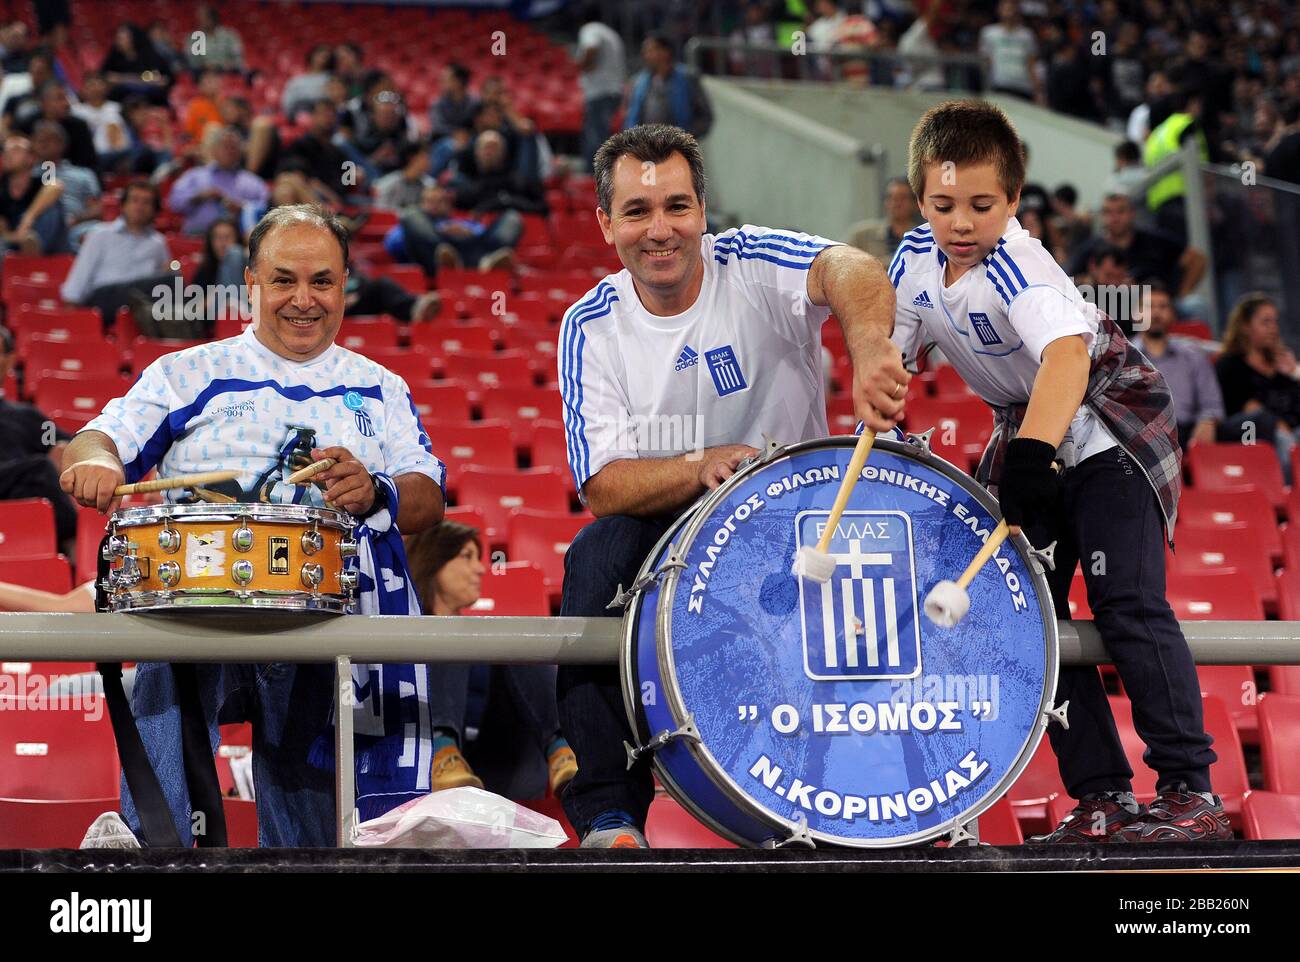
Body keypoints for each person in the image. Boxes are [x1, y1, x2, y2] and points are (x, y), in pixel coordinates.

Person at [556, 123, 903, 847]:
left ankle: (888, 805)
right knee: (594, 556)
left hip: (796, 519)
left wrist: (869, 347)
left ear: (703, 212)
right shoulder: (589, 324)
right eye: (638, 211)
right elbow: (603, 486)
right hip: (671, 523)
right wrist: (696, 466)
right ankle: (611, 817)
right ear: (604, 224)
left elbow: (853, 267)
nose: (661, 229)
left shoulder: (750, 262)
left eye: (677, 207)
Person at [889, 99, 1227, 843]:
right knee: (1028, 615)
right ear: (920, 201)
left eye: (982, 204)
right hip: (1030, 428)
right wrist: (881, 384)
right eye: (943, 205)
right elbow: (896, 351)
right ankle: (1102, 796)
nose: (962, 223)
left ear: (1013, 202)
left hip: (1106, 425)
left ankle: (1190, 793)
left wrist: (1035, 456)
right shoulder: (912, 262)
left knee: (1128, 604)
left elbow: (1068, 360)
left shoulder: (1021, 264)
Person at [58, 204, 447, 847]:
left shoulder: (382, 387)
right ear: (251, 284)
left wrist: (376, 490)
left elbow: (428, 496)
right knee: (164, 662)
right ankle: (149, 849)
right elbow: (99, 438)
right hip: (197, 614)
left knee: (310, 827)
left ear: (345, 284)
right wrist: (96, 462)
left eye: (322, 281)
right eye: (284, 280)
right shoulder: (185, 373)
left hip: (325, 622)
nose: (303, 299)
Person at [404, 522, 578, 795]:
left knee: (517, 639)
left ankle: (561, 751)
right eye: (466, 556)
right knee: (449, 635)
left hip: (498, 764)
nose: (481, 568)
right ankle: (441, 752)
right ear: (433, 559)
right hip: (416, 750)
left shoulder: (484, 643)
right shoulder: (399, 634)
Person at [0, 324, 77, 553]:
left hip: (16, 497)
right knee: (40, 469)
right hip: (21, 477)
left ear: (9, 360)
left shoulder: (26, 416)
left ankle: (77, 553)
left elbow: (69, 442)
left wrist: (63, 447)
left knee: (42, 473)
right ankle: (75, 543)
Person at [59, 179, 170, 328]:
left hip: (139, 307)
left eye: (146, 202)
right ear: (123, 205)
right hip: (104, 299)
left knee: (169, 283)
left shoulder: (158, 242)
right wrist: (71, 314)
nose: (140, 207)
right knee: (169, 281)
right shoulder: (100, 234)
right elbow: (79, 277)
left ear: (154, 209)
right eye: (135, 200)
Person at [1214, 293, 1300, 482]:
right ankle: (1290, 494)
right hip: (1248, 433)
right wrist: (1278, 424)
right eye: (1265, 322)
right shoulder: (1230, 364)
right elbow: (1250, 410)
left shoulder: (1281, 365)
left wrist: (1294, 373)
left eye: (1275, 322)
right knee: (1282, 438)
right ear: (1245, 326)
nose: (1273, 329)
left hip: (1290, 430)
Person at [1131, 283, 1224, 451]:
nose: (1157, 313)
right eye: (1149, 306)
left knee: (1251, 424)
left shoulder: (1193, 355)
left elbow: (1212, 404)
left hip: (1185, 431)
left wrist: (1208, 421)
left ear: (1173, 315)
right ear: (1136, 314)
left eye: (1163, 306)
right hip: (1139, 433)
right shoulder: (1124, 356)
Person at [389, 181, 520, 276]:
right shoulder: (413, 223)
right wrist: (438, 230)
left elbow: (484, 234)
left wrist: (470, 232)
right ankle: (445, 260)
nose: (434, 206)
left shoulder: (464, 222)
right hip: (432, 258)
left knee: (512, 217)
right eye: (429, 201)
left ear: (449, 205)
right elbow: (393, 244)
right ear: (421, 203)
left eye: (440, 201)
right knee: (410, 214)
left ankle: (487, 262)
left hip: (475, 252)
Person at [168, 126, 269, 236]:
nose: (230, 151)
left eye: (234, 147)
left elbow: (267, 209)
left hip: (236, 239)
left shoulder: (253, 182)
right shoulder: (195, 176)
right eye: (226, 146)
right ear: (214, 150)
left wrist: (243, 208)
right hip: (196, 236)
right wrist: (198, 196)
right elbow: (174, 203)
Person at [623, 34, 713, 139]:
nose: (646, 56)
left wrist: (684, 138)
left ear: (665, 52)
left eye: (650, 50)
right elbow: (630, 119)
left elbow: (705, 117)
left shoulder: (687, 78)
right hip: (646, 148)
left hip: (679, 148)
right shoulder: (638, 83)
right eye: (645, 52)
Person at [30, 119, 99, 250]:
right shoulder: (27, 174)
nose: (43, 144)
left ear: (62, 144)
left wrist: (76, 219)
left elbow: (96, 208)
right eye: (39, 140)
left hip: (74, 227)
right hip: (36, 228)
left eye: (49, 139)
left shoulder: (83, 174)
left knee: (95, 231)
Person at [576, 5, 625, 172]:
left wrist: (583, 66)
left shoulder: (590, 29)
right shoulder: (611, 33)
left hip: (600, 91)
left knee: (595, 136)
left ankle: (595, 175)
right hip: (614, 90)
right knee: (603, 133)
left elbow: (591, 47)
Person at [0, 133, 64, 254]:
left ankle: (35, 248)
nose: (7, 154)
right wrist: (18, 237)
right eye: (5, 151)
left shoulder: (39, 181)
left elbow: (56, 186)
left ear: (31, 158)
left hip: (47, 245)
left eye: (15, 150)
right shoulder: (2, 187)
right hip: (13, 245)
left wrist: (29, 217)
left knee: (52, 207)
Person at [978, 0, 1042, 103]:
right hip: (1000, 85)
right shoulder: (989, 33)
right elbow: (986, 61)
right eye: (1006, 8)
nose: (1009, 11)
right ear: (999, 9)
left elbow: (1031, 65)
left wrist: (1038, 92)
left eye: (1012, 8)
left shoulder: (1027, 35)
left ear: (1017, 10)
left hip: (1023, 87)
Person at [847, 176, 922, 262]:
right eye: (890, 197)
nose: (896, 203)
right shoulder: (862, 236)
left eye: (903, 198)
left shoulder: (924, 237)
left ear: (916, 203)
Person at [373, 139, 433, 211]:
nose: (429, 160)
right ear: (412, 158)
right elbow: (379, 212)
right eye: (425, 156)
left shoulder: (429, 185)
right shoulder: (387, 184)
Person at [188, 4, 245, 74]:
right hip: (204, 75)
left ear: (212, 18)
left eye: (203, 18)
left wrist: (223, 66)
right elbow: (193, 62)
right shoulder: (195, 38)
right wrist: (205, 66)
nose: (200, 21)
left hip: (228, 74)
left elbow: (238, 59)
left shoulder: (230, 35)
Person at [281, 44, 334, 120]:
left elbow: (331, 99)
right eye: (319, 55)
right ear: (312, 56)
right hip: (299, 116)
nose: (322, 59)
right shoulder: (296, 81)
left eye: (326, 57)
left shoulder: (331, 78)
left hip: (323, 116)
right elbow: (287, 105)